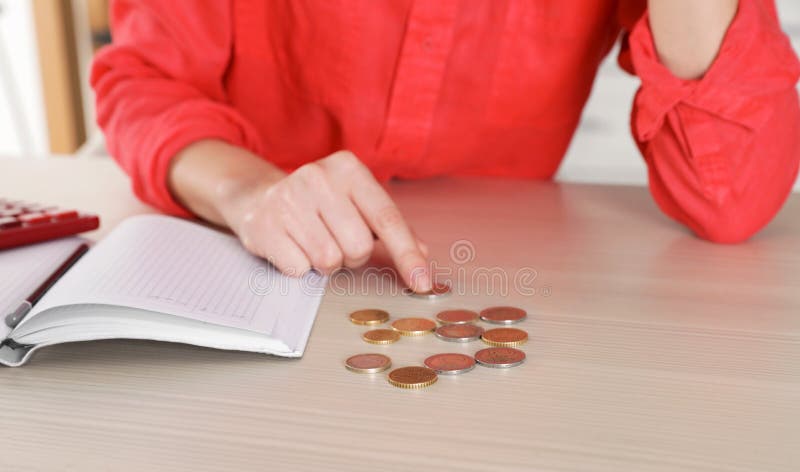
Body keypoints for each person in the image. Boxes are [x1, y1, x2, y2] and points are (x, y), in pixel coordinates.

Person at [91, 0, 800, 292]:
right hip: (242, 262)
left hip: (493, 277)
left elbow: (729, 196)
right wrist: (250, 192)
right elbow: (145, 82)